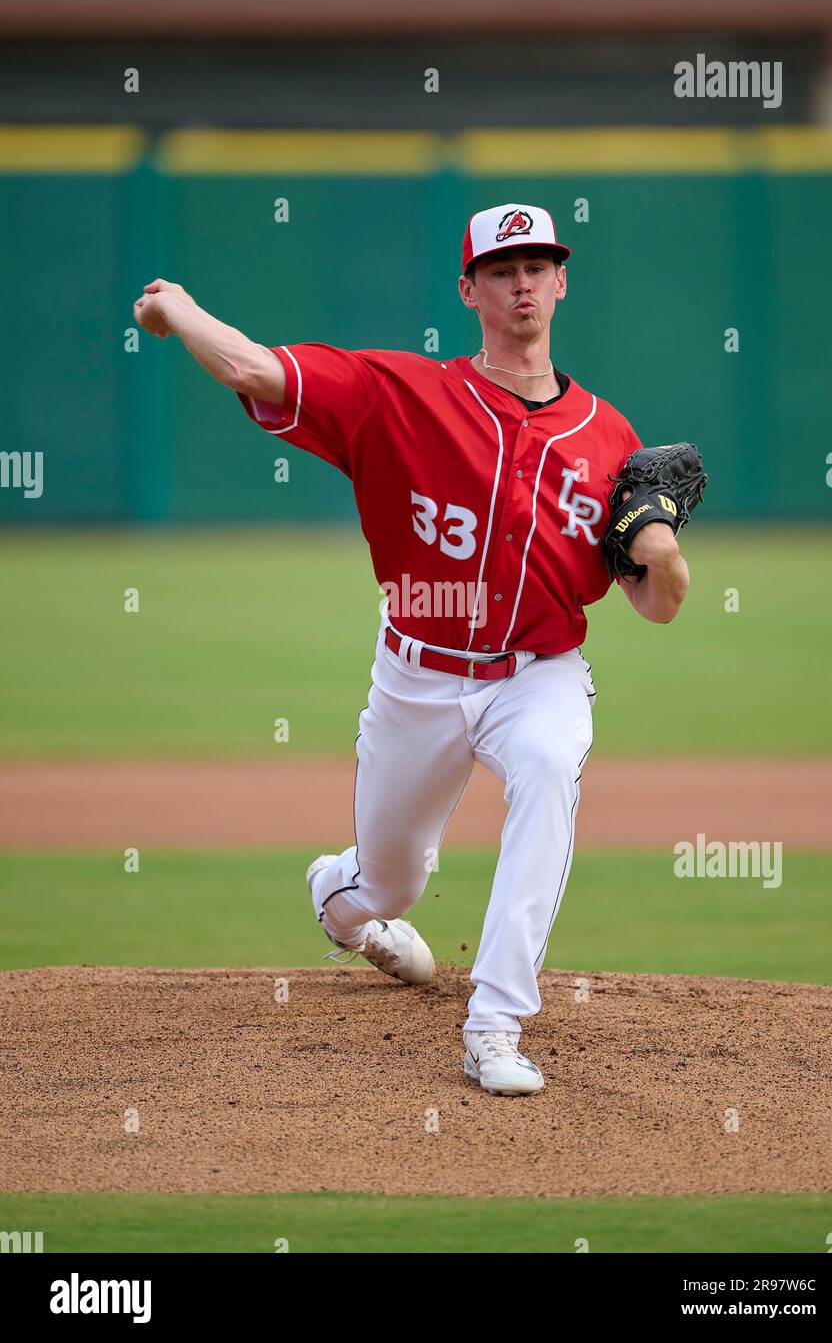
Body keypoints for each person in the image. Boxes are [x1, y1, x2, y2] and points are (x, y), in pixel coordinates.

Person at [134, 202, 689, 1097]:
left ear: (561, 282)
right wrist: (179, 308)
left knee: (550, 769)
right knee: (389, 887)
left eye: (538, 266)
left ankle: (496, 1023)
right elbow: (254, 368)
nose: (522, 283)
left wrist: (665, 559)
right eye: (503, 269)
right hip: (417, 679)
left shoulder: (611, 442)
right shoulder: (399, 395)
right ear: (469, 289)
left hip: (537, 674)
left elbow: (652, 606)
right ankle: (340, 895)